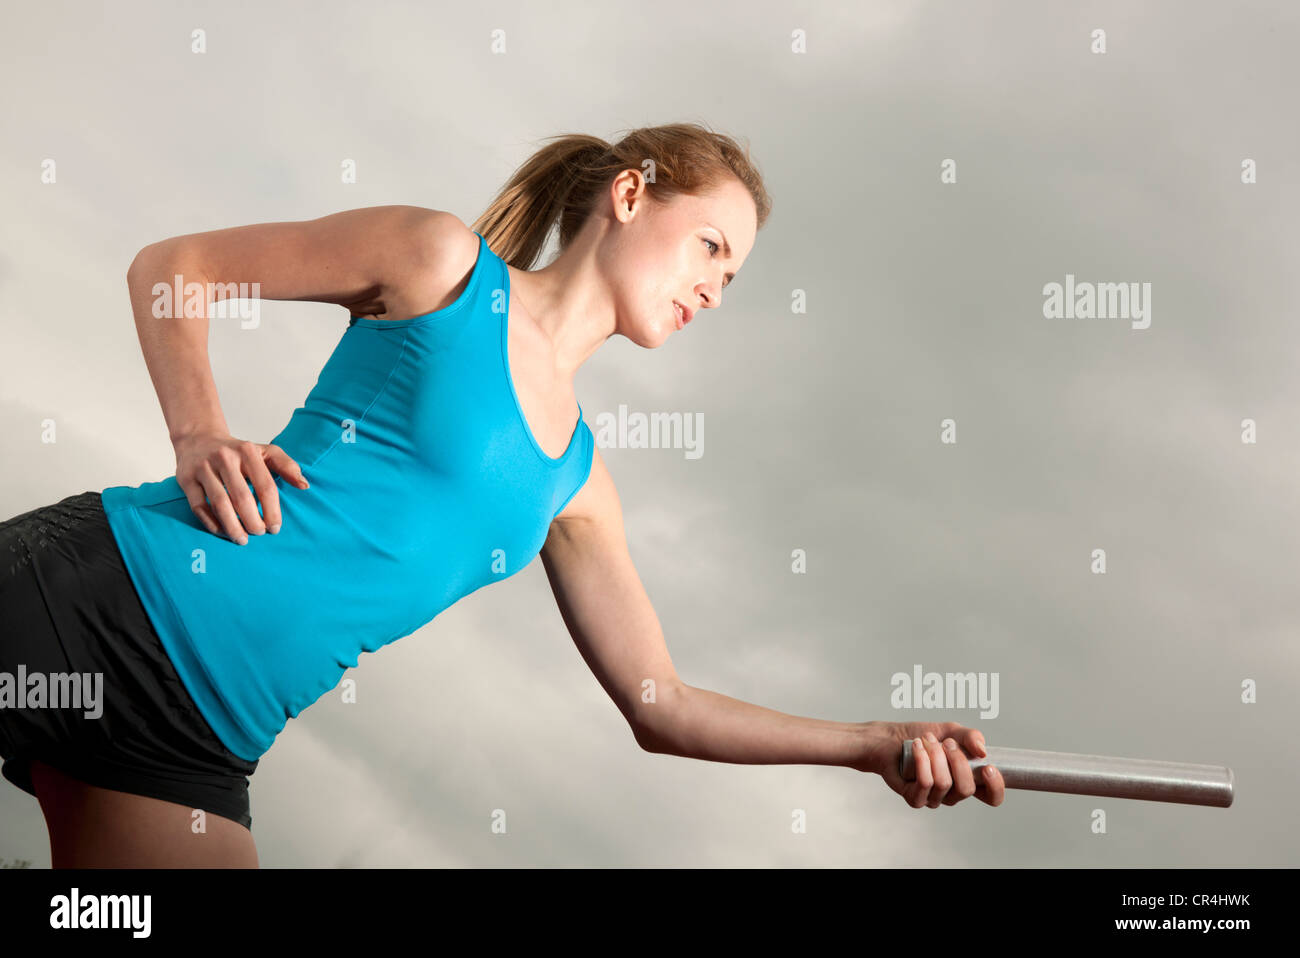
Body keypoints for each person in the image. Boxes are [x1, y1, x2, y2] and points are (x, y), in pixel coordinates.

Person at [0, 122, 1004, 868]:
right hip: (91, 601)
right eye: (709, 246)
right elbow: (174, 268)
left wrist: (870, 743)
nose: (715, 287)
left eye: (734, 277)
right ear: (627, 196)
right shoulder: (440, 264)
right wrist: (200, 434)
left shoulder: (579, 480)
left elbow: (663, 706)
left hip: (193, 739)